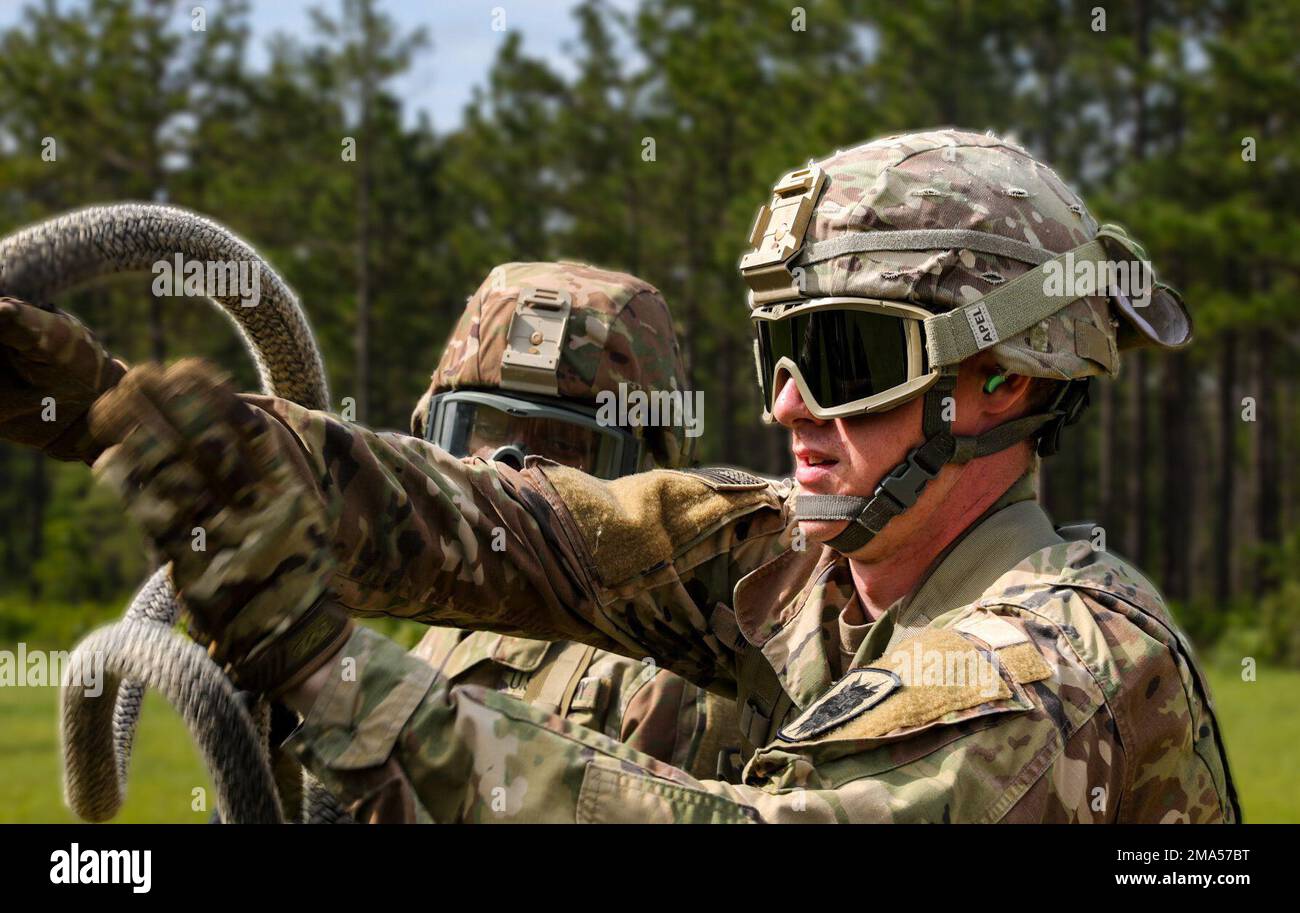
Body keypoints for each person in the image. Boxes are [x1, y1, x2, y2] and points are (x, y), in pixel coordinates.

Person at [1, 128, 1238, 822]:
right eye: (776, 352)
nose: (784, 403)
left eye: (841, 354)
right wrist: (115, 408)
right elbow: (516, 523)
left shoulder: (1049, 669)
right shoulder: (805, 560)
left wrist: (329, 672)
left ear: (1005, 382)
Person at [405, 261, 741, 798]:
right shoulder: (448, 625)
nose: (507, 475)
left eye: (561, 448)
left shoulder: (672, 682)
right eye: (483, 431)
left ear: (650, 479)